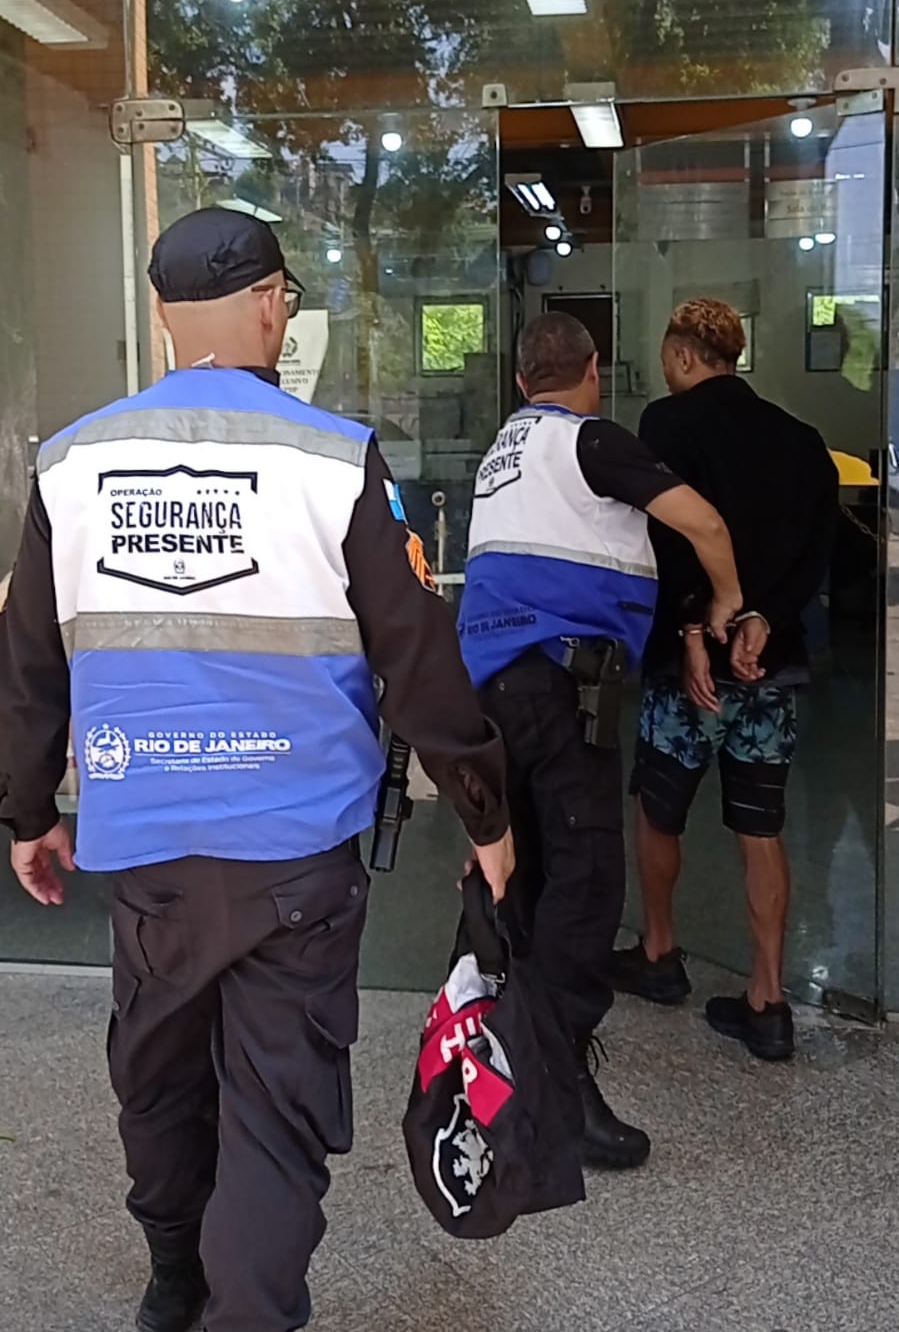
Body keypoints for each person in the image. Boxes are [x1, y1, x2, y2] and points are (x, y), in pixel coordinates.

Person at [0, 206, 514, 1332]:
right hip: (296, 863)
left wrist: (29, 812)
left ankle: (173, 1279)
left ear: (159, 313)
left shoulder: (73, 461)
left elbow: (31, 658)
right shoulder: (331, 460)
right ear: (275, 302)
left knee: (159, 1082)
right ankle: (247, 1311)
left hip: (152, 857)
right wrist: (484, 813)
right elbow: (416, 657)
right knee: (275, 1115)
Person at [456, 312, 742, 1170]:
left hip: (494, 700)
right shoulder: (585, 441)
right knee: (584, 887)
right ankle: (559, 1089)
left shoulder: (499, 454)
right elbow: (706, 524)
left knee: (527, 878)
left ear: (517, 382)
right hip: (561, 690)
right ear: (589, 373)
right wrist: (724, 604)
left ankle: (495, 1065)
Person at [611, 299, 839, 1062]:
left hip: (692, 666)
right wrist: (763, 619)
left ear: (681, 353)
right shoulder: (803, 441)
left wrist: (690, 626)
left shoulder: (666, 425)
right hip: (768, 666)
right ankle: (767, 998)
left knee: (659, 807)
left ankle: (660, 952)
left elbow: (662, 534)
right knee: (761, 827)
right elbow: (815, 555)